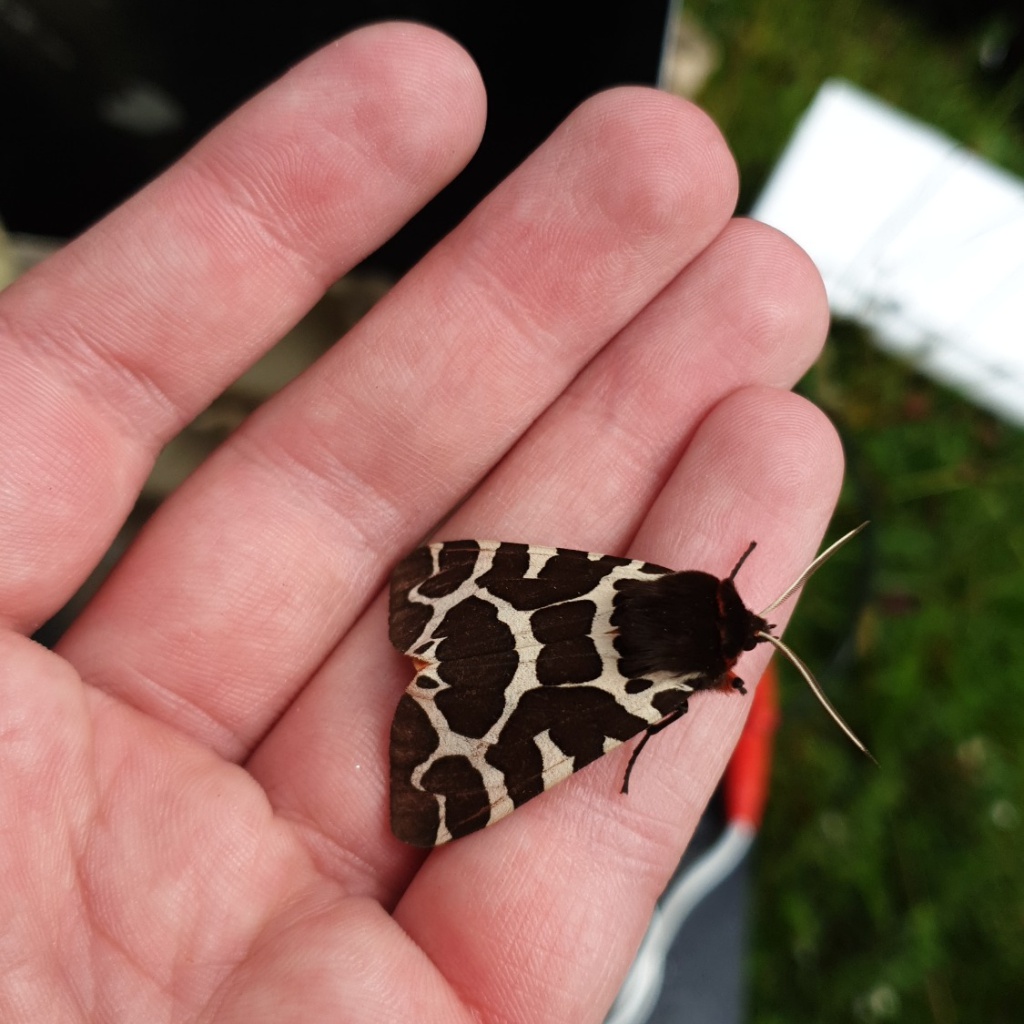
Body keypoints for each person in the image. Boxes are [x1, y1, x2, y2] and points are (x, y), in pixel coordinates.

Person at [0, 21, 840, 1023]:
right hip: (532, 705)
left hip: (513, 594)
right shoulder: (669, 688)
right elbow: (645, 710)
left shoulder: (671, 605)